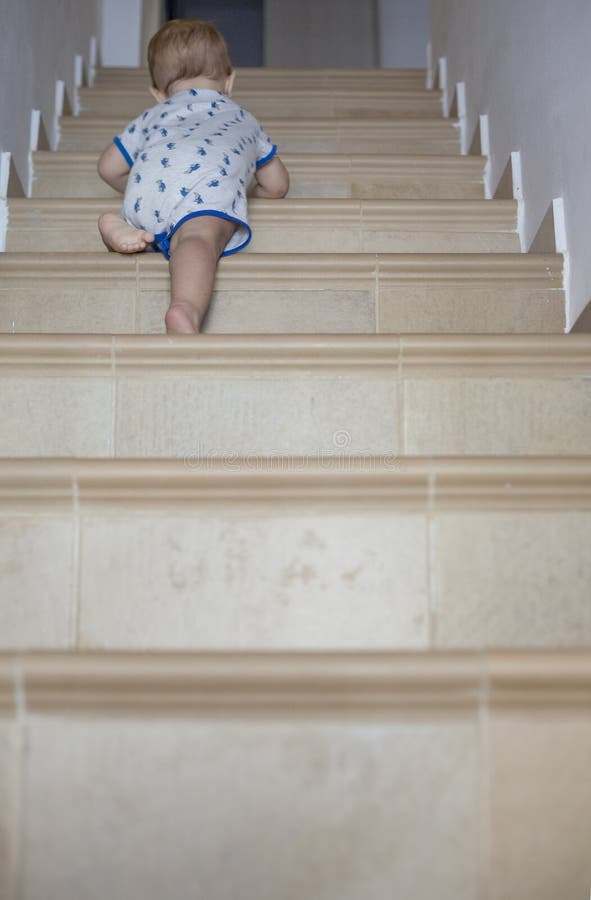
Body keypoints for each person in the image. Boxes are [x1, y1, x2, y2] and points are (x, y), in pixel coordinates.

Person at [96, 18, 289, 334]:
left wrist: (137, 188)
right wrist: (250, 191)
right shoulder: (244, 118)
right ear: (229, 82)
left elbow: (108, 167)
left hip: (148, 191)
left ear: (158, 93)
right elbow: (277, 184)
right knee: (197, 238)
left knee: (155, 219)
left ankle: (123, 223)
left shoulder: (152, 114)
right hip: (205, 197)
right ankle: (185, 308)